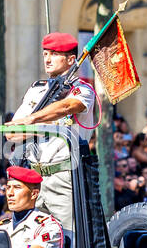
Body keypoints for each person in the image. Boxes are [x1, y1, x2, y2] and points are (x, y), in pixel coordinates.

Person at [8, 32, 97, 231]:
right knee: (34, 235)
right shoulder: (36, 90)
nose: (47, 59)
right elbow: (12, 133)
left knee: (70, 235)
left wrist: (33, 120)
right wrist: (42, 126)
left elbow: (68, 106)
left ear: (70, 59)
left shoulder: (81, 89)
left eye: (54, 54)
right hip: (34, 177)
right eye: (45, 54)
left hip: (64, 174)